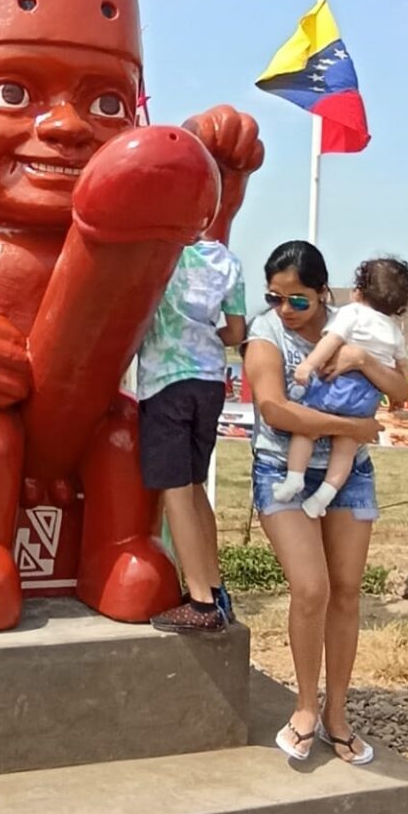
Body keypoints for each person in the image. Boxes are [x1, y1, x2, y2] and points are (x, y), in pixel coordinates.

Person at [243, 241, 408, 766]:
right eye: (274, 297)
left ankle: (337, 713)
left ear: (323, 293)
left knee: (347, 592)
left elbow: (401, 389)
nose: (284, 309)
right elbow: (275, 409)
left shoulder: (356, 324)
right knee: (311, 587)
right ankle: (304, 709)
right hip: (281, 470)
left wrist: (362, 360)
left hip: (349, 475)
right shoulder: (265, 334)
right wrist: (351, 427)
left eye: (297, 300)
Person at [136, 237, 246, 633]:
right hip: (210, 380)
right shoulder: (227, 260)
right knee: (196, 486)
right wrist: (203, 337)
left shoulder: (159, 250)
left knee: (176, 492)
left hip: (166, 379)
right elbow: (236, 331)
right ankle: (216, 590)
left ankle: (200, 602)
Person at [272, 256, 408, 518]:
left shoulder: (352, 312)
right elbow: (402, 367)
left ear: (358, 291)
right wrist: (398, 398)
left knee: (306, 429)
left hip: (337, 384)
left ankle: (294, 478)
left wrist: (309, 364)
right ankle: (323, 497)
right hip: (367, 394)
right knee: (347, 445)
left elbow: (332, 341)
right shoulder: (395, 331)